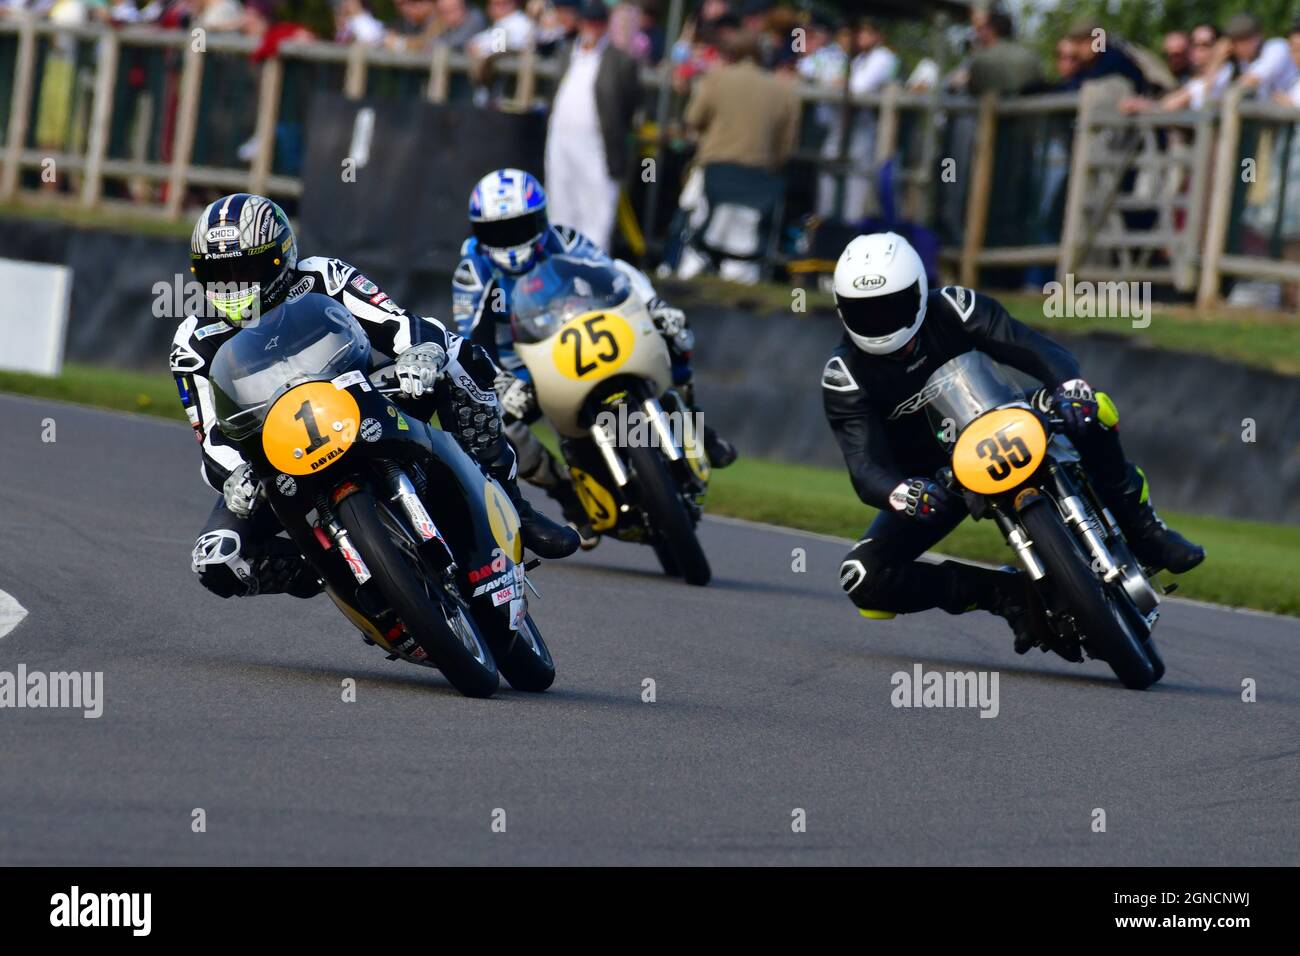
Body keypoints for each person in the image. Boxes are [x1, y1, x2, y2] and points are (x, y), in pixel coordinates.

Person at [172, 193, 579, 600]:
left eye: (247, 268)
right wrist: (234, 475)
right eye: (219, 273)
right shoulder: (193, 341)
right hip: (276, 458)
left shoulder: (323, 276)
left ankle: (512, 506)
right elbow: (212, 437)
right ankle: (327, 570)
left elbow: (397, 323)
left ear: (283, 256)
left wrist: (421, 353)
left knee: (460, 357)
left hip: (360, 403)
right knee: (216, 559)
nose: (236, 284)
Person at [823, 233, 1204, 646]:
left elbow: (1034, 348)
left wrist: (1069, 385)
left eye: (890, 307)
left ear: (918, 291)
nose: (879, 321)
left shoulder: (954, 306)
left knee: (1093, 407)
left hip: (1005, 417)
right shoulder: (844, 375)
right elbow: (863, 467)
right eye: (865, 312)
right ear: (843, 311)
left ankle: (1146, 530)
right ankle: (1004, 596)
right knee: (863, 576)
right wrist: (901, 493)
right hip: (936, 483)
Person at [452, 169, 737, 546]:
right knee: (496, 421)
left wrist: (654, 305)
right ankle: (566, 494)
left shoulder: (563, 239)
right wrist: (500, 382)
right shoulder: (473, 271)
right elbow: (473, 340)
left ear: (540, 220)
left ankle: (701, 429)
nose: (510, 241)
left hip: (582, 331)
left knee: (675, 333)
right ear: (478, 232)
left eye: (519, 227)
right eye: (498, 232)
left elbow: (615, 272)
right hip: (523, 365)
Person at [544, 0, 641, 252]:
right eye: (588, 22)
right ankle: (561, 263)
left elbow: (629, 103)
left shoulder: (620, 60)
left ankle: (594, 268)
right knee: (561, 203)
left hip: (598, 143)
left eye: (597, 23)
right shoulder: (566, 52)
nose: (591, 28)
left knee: (597, 208)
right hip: (561, 139)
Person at [966, 8, 1041, 96]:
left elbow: (972, 93)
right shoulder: (1031, 55)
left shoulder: (981, 60)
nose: (979, 34)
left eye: (981, 29)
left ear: (990, 30)